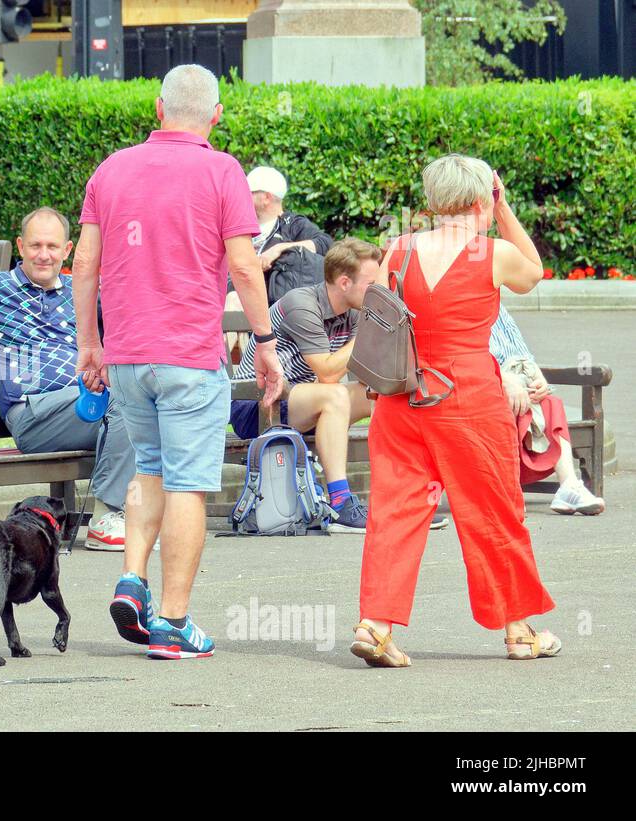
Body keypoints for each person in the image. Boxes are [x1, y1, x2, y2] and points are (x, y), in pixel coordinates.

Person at [73, 64, 284, 659]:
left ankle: (132, 579)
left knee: (150, 470)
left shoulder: (111, 170)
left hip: (128, 356)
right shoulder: (222, 171)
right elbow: (244, 267)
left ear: (157, 108)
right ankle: (171, 622)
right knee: (190, 484)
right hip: (189, 356)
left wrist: (91, 344)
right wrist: (265, 343)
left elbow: (83, 265)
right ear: (216, 116)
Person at [354, 154, 559, 667]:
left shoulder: (398, 250)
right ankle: (519, 631)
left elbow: (380, 314)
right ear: (479, 200)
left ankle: (376, 625)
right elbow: (533, 271)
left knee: (394, 511)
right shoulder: (491, 254)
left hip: (403, 397)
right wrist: (505, 207)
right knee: (493, 512)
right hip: (468, 396)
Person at [0, 207, 138, 550]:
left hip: (85, 403)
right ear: (20, 246)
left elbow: (130, 324)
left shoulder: (83, 291)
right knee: (125, 402)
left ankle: (136, 513)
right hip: (32, 414)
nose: (43, 255)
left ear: (68, 250)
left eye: (52, 246)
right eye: (35, 245)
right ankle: (107, 517)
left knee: (143, 401)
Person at [229, 238, 448, 533]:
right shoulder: (302, 303)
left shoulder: (354, 311)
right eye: (372, 283)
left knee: (383, 395)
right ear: (344, 282)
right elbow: (328, 373)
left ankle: (400, 497)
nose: (379, 292)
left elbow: (365, 372)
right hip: (256, 405)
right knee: (334, 396)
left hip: (303, 399)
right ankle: (341, 504)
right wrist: (372, 329)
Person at [489, 306, 604, 515]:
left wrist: (539, 378)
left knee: (550, 402)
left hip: (519, 380)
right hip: (485, 383)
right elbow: (465, 357)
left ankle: (569, 485)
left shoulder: (499, 308)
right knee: (513, 404)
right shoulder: (461, 304)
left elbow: (523, 354)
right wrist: (503, 380)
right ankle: (506, 490)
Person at [224, 166, 333, 357]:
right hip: (237, 300)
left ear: (266, 197)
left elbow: (325, 244)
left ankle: (226, 367)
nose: (242, 198)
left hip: (270, 308)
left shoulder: (292, 224)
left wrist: (280, 248)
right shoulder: (240, 225)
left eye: (249, 193)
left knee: (234, 299)